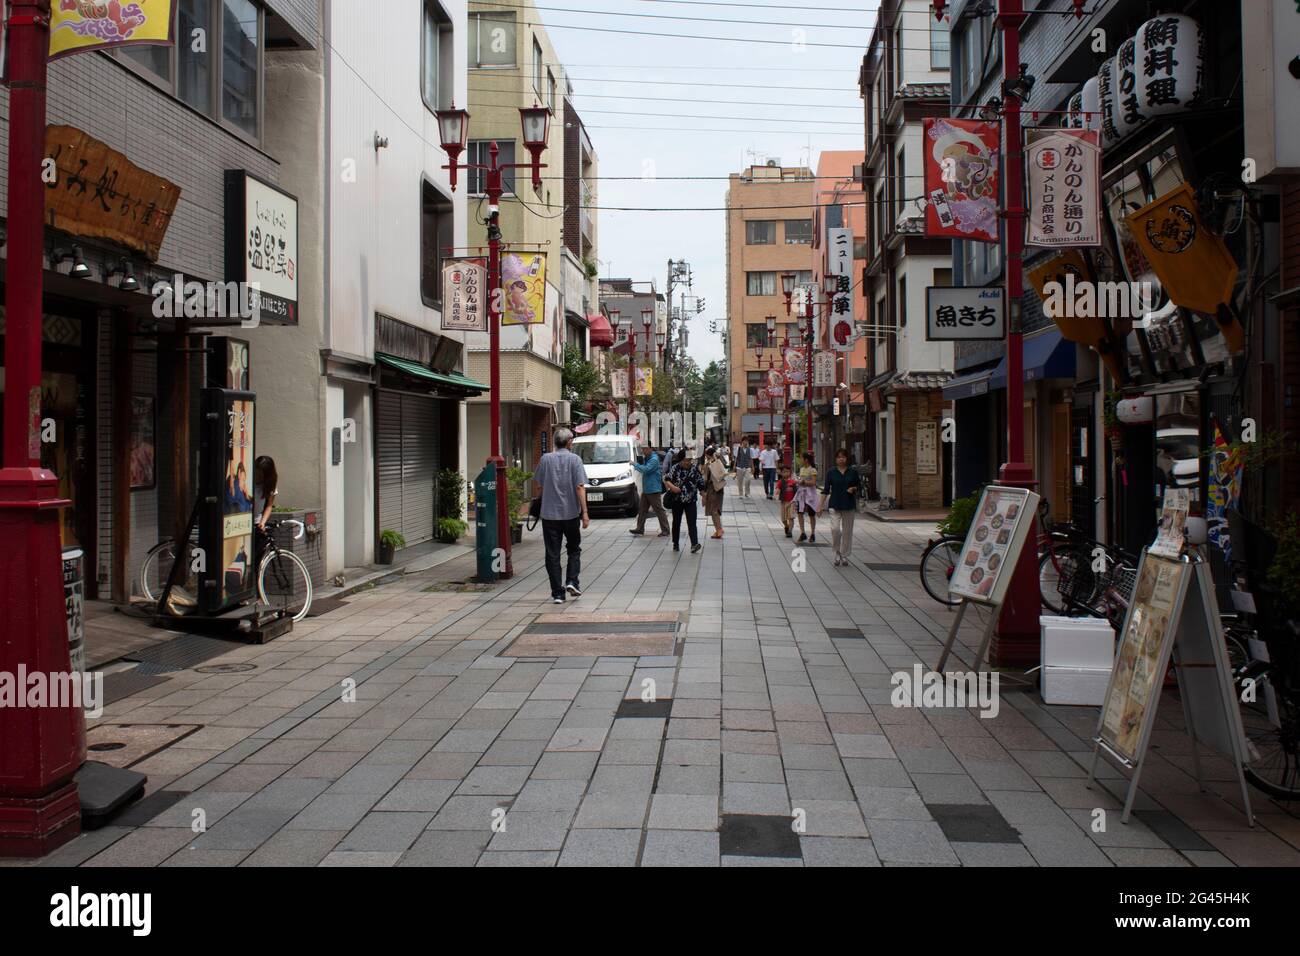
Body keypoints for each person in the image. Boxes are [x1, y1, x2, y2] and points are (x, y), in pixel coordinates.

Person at [531, 427, 590, 603]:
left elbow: (539, 485)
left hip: (549, 515)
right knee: (573, 549)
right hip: (571, 513)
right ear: (569, 442)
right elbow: (580, 486)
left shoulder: (545, 459)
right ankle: (572, 580)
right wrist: (585, 512)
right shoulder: (575, 460)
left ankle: (557, 593)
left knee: (552, 553)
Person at [819, 448, 861, 566]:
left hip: (849, 505)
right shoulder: (831, 472)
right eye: (838, 457)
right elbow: (826, 490)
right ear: (836, 459)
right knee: (835, 529)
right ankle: (837, 551)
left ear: (847, 458)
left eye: (843, 457)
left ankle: (844, 554)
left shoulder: (852, 472)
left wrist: (853, 488)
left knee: (847, 532)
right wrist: (820, 506)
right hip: (835, 504)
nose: (841, 459)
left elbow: (858, 485)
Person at [664, 448, 704, 554]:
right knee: (676, 522)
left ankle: (694, 544)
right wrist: (673, 488)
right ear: (681, 460)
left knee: (692, 523)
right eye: (686, 460)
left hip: (691, 500)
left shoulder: (694, 469)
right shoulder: (675, 468)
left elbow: (700, 483)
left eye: (690, 460)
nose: (688, 462)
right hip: (677, 501)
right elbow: (667, 479)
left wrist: (704, 495)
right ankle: (675, 543)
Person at [630, 442, 670, 537]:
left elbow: (646, 469)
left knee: (659, 510)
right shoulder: (647, 458)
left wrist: (635, 464)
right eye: (643, 449)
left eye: (646, 449)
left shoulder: (654, 459)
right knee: (642, 510)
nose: (644, 451)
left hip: (653, 489)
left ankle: (666, 530)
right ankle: (639, 528)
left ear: (651, 449)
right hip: (647, 489)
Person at [793, 450, 819, 543]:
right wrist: (798, 481)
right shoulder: (802, 469)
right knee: (800, 512)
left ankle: (812, 533)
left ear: (806, 460)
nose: (800, 460)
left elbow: (813, 483)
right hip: (801, 493)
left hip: (810, 494)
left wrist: (803, 482)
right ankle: (802, 532)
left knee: (811, 513)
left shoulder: (813, 470)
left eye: (801, 458)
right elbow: (801, 479)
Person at [702, 445, 727, 539]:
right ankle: (719, 529)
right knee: (715, 509)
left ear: (708, 455)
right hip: (720, 488)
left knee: (714, 511)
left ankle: (719, 530)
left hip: (713, 489)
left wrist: (704, 493)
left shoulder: (709, 465)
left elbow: (706, 479)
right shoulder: (719, 461)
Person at [253, 455, 278, 531]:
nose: (257, 476)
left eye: (260, 474)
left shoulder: (269, 484)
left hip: (256, 521)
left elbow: (269, 506)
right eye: (256, 472)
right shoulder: (248, 481)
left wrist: (262, 522)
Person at [776, 463, 798, 538]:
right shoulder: (780, 482)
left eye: (787, 471)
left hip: (792, 502)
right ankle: (787, 526)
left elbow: (796, 492)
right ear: (781, 473)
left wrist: (796, 500)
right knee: (783, 519)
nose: (786, 473)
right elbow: (778, 489)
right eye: (784, 472)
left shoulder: (793, 482)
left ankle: (790, 531)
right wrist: (776, 493)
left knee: (791, 517)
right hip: (783, 502)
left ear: (790, 472)